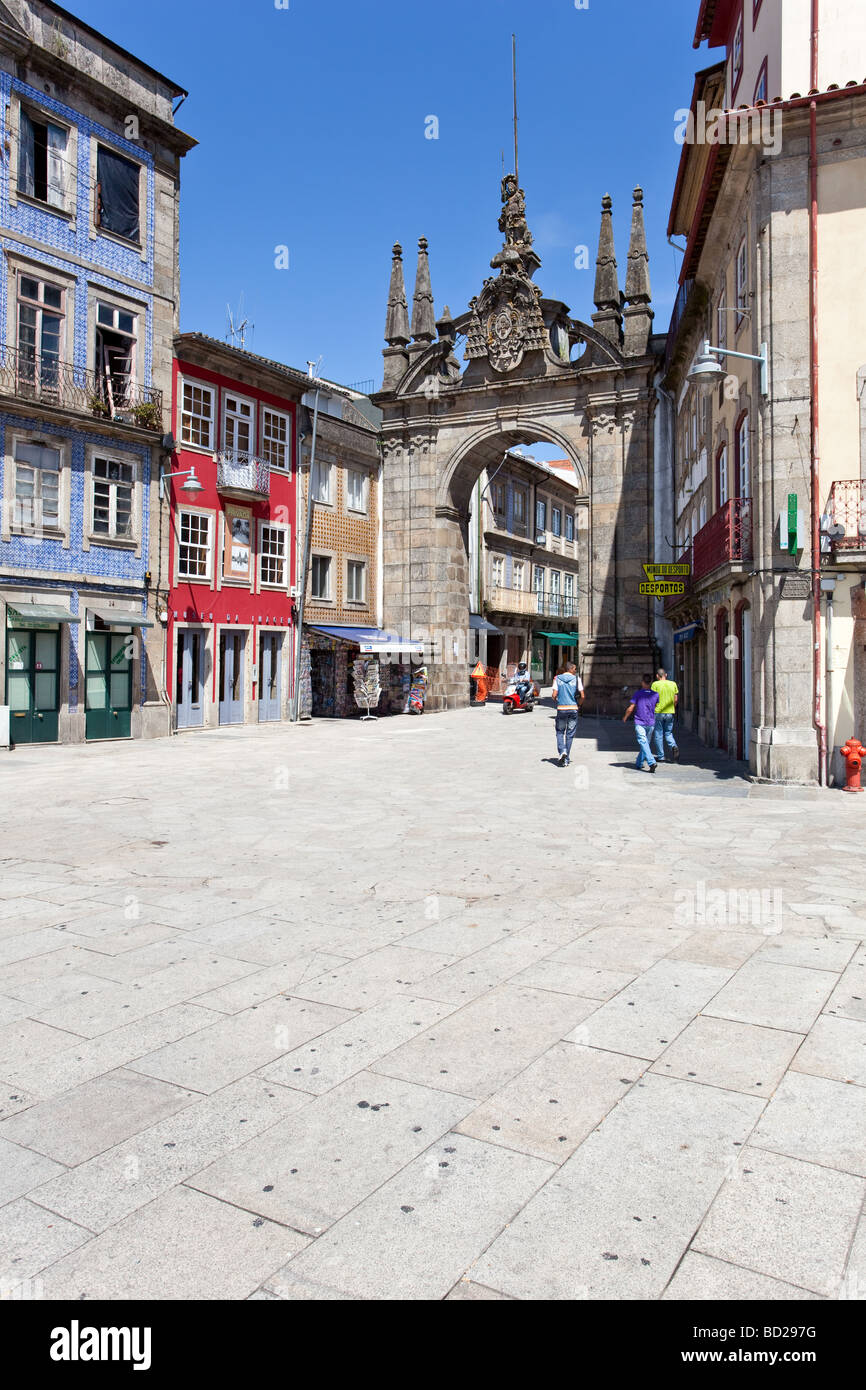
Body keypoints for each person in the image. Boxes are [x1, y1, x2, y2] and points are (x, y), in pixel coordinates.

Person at [551, 661, 585, 766]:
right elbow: (582, 696)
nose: (575, 671)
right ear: (570, 669)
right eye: (575, 669)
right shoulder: (577, 679)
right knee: (570, 734)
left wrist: (559, 700)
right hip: (573, 709)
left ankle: (562, 751)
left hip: (561, 709)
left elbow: (554, 695)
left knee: (560, 732)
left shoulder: (557, 678)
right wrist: (578, 705)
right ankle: (566, 759)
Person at [623, 674, 659, 773]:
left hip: (640, 722)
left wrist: (625, 717)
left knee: (643, 743)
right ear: (651, 682)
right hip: (651, 722)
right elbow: (655, 706)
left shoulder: (638, 694)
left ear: (642, 682)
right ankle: (639, 763)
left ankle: (651, 762)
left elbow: (631, 708)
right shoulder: (656, 695)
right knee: (645, 743)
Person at [651, 667, 680, 763]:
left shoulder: (655, 684)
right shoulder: (673, 684)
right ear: (666, 675)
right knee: (668, 733)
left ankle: (660, 756)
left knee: (658, 734)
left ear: (657, 676)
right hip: (670, 712)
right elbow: (676, 699)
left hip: (658, 712)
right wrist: (673, 707)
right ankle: (673, 746)